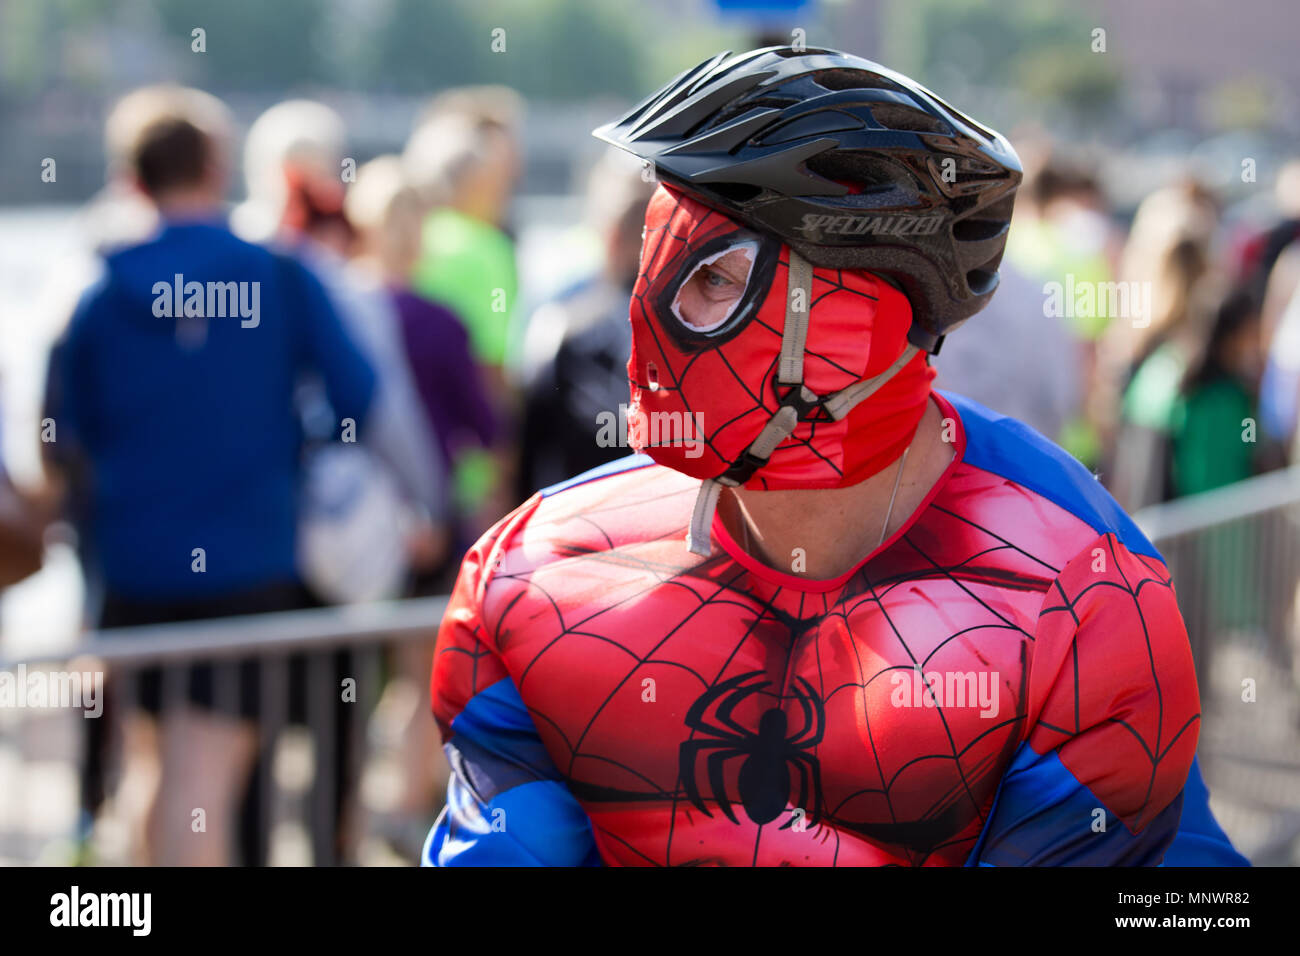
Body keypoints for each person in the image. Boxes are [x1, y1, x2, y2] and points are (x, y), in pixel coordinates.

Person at [422, 47, 1246, 867]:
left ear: (866, 320)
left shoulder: (1080, 592)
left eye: (714, 277)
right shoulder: (532, 575)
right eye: (654, 265)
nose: (647, 320)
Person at [42, 85, 377, 865]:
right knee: (206, 777)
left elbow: (60, 439)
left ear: (133, 180)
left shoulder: (96, 293)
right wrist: (290, 440)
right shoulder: (279, 275)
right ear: (217, 167)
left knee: (154, 773)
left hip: (130, 570)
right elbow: (356, 394)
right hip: (246, 563)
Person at [515, 149, 654, 495]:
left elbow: (528, 438)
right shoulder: (698, 325)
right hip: (661, 515)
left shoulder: (561, 321)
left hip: (575, 509)